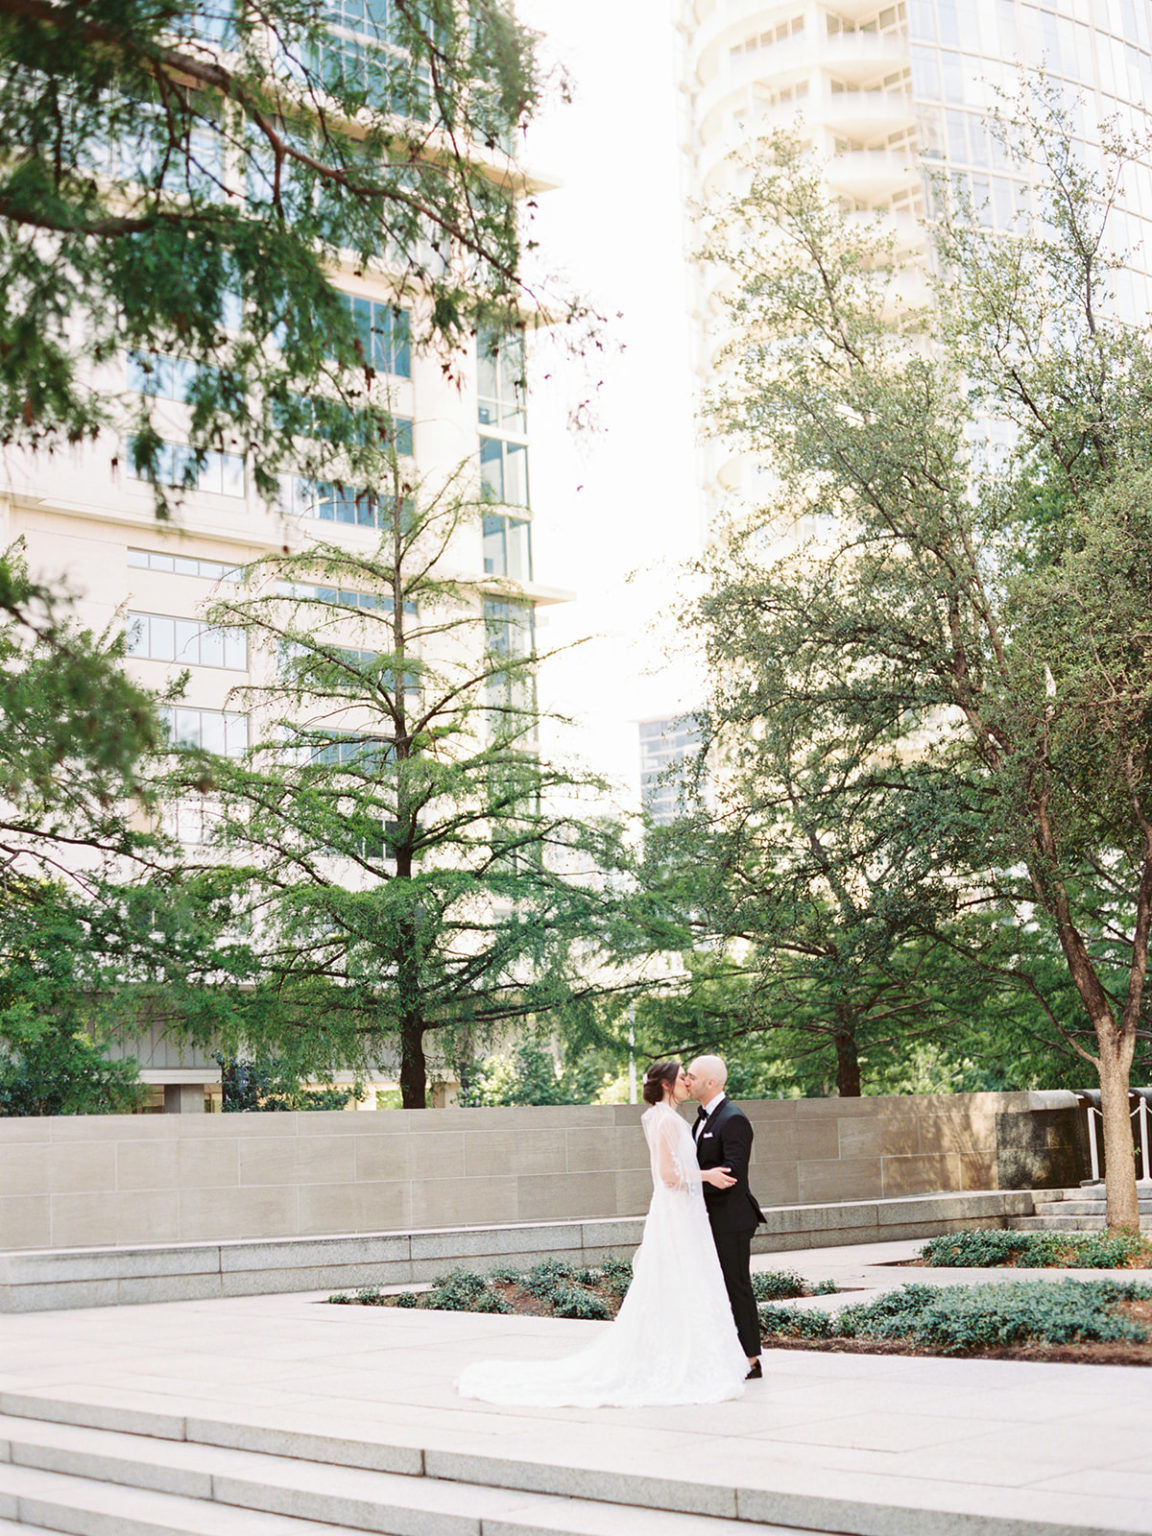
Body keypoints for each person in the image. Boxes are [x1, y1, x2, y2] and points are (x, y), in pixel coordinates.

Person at [456, 1060, 750, 1407]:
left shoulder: (670, 1118)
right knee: (676, 1279)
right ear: (669, 1085)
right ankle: (678, 1358)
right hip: (675, 1213)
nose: (687, 1080)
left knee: (684, 1282)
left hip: (683, 1214)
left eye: (690, 1075)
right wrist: (706, 1175)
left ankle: (693, 1353)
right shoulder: (666, 1120)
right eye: (682, 1076)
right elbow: (668, 1175)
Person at [684, 1055, 766, 1379]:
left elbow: (730, 1173)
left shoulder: (733, 1119)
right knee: (714, 1288)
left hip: (731, 1220)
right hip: (708, 1220)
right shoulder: (700, 1120)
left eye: (691, 1076)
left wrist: (694, 1179)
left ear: (711, 1082)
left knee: (737, 1287)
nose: (687, 1081)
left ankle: (751, 1360)